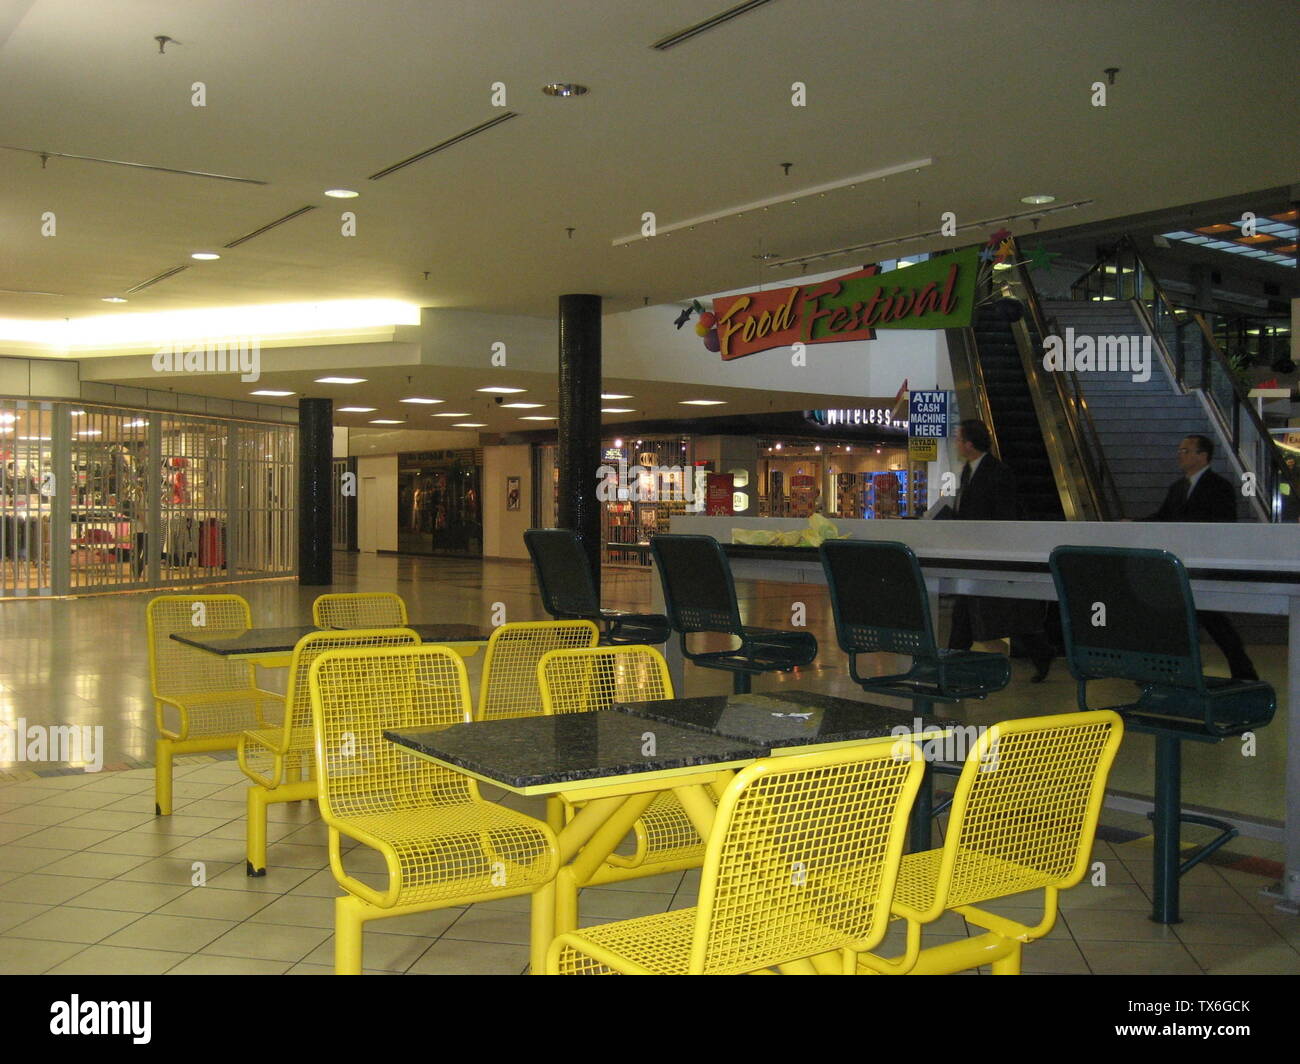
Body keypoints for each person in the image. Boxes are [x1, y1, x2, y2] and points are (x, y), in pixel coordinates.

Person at [946, 419, 1056, 682]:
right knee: (969, 609)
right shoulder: (969, 471)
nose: (957, 444)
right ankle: (952, 663)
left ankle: (1040, 651)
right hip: (974, 552)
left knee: (997, 610)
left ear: (970, 444)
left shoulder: (997, 472)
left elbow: (1004, 515)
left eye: (959, 439)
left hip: (989, 554)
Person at [1144, 434, 1258, 680]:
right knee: (1201, 618)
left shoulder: (1219, 487)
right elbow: (1163, 517)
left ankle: (1240, 669)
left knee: (1208, 617)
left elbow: (1224, 524)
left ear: (1202, 456)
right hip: (1183, 563)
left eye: (1185, 450)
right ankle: (1239, 669)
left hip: (1205, 564)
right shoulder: (1177, 488)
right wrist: (1134, 524)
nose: (1180, 455)